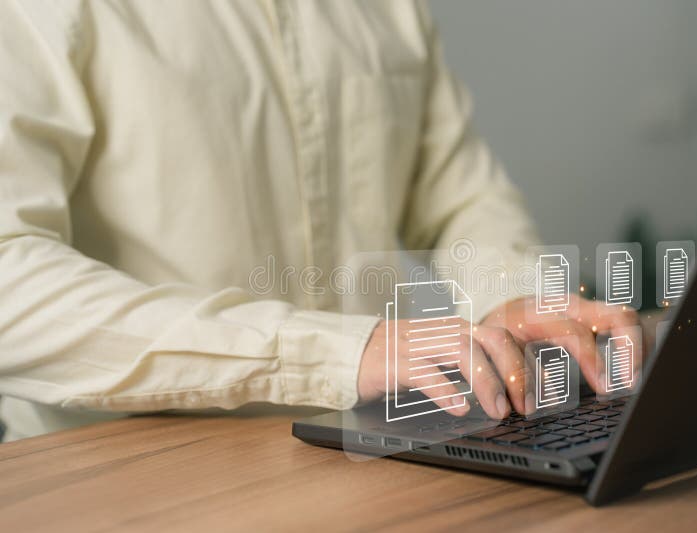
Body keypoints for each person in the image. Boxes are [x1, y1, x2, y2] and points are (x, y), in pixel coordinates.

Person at [0, 1, 636, 441]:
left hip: (353, 456)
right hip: (114, 479)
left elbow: (458, 193)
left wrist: (510, 294)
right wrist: (331, 351)